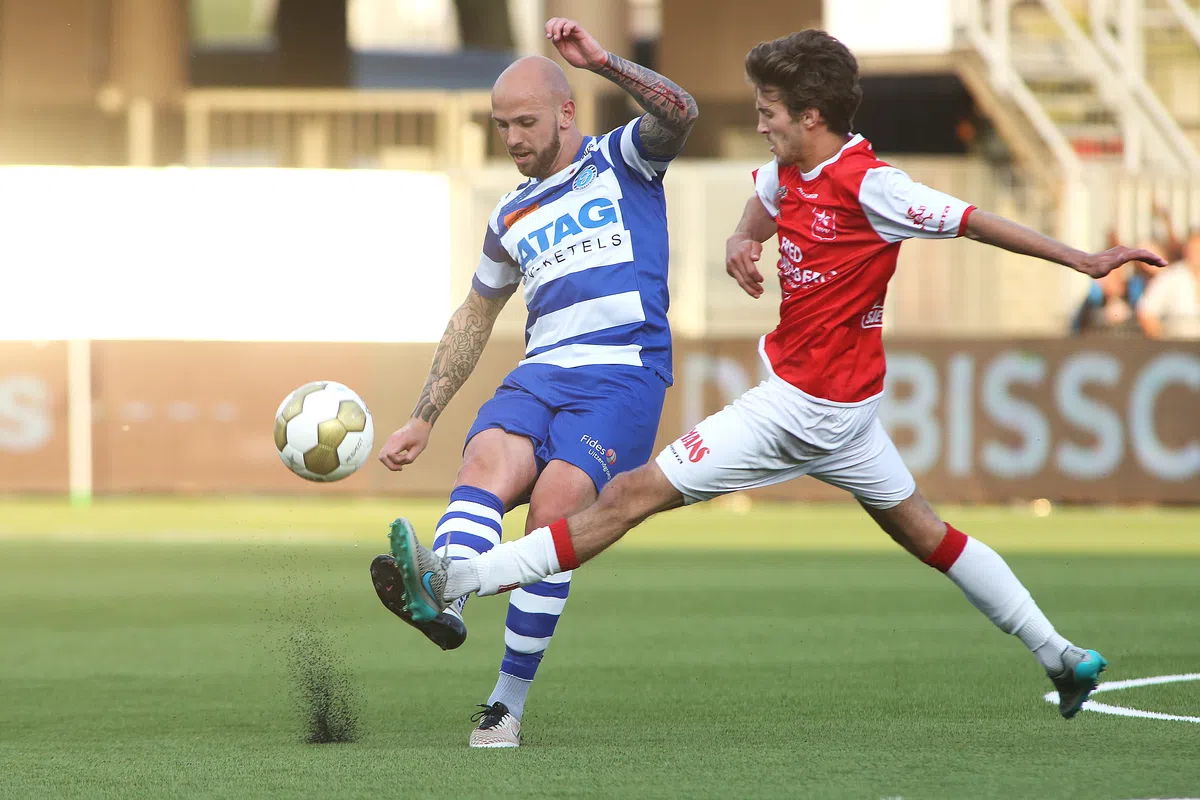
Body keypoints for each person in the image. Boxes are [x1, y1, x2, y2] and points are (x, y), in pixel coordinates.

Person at [384, 30, 1169, 723]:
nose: (758, 125)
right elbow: (762, 202)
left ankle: (459, 575)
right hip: (851, 418)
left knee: (625, 499)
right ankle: (1062, 657)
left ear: (811, 117)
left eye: (768, 114)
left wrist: (1084, 260)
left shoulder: (874, 186)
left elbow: (975, 222)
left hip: (796, 410)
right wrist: (739, 239)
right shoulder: (787, 171)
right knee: (933, 536)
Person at [368, 17, 698, 748]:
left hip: (621, 372)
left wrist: (603, 60)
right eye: (500, 125)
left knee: (554, 508)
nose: (513, 138)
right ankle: (445, 599)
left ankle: (504, 705)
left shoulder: (624, 159)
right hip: (541, 370)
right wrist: (425, 413)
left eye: (525, 122)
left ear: (566, 112)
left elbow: (680, 111)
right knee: (484, 457)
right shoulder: (510, 211)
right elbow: (474, 315)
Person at [1137, 230, 1200, 340]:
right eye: (1194, 250)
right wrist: (1161, 342)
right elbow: (1146, 312)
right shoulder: (1170, 277)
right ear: (1186, 251)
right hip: (1179, 347)